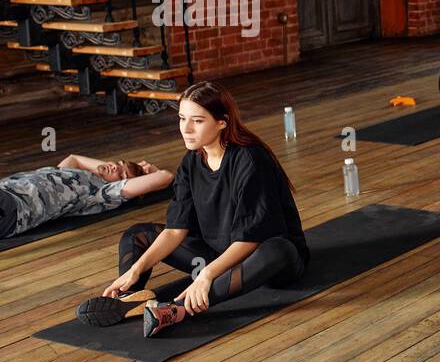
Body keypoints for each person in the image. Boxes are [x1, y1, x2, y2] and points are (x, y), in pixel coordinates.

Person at [80, 81, 309, 337]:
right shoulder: (190, 162)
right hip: (219, 255)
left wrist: (206, 276)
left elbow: (251, 239)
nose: (186, 129)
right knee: (137, 235)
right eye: (181, 118)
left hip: (265, 261)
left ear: (222, 122)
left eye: (197, 121)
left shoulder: (250, 160)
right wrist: (136, 270)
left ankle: (177, 310)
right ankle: (131, 299)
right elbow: (175, 230)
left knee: (278, 250)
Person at [0, 155, 173, 240]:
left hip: (15, 208)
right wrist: (106, 167)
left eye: (122, 175)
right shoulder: (70, 170)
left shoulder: (101, 193)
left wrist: (152, 170)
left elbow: (165, 177)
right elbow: (73, 157)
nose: (115, 168)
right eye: (118, 164)